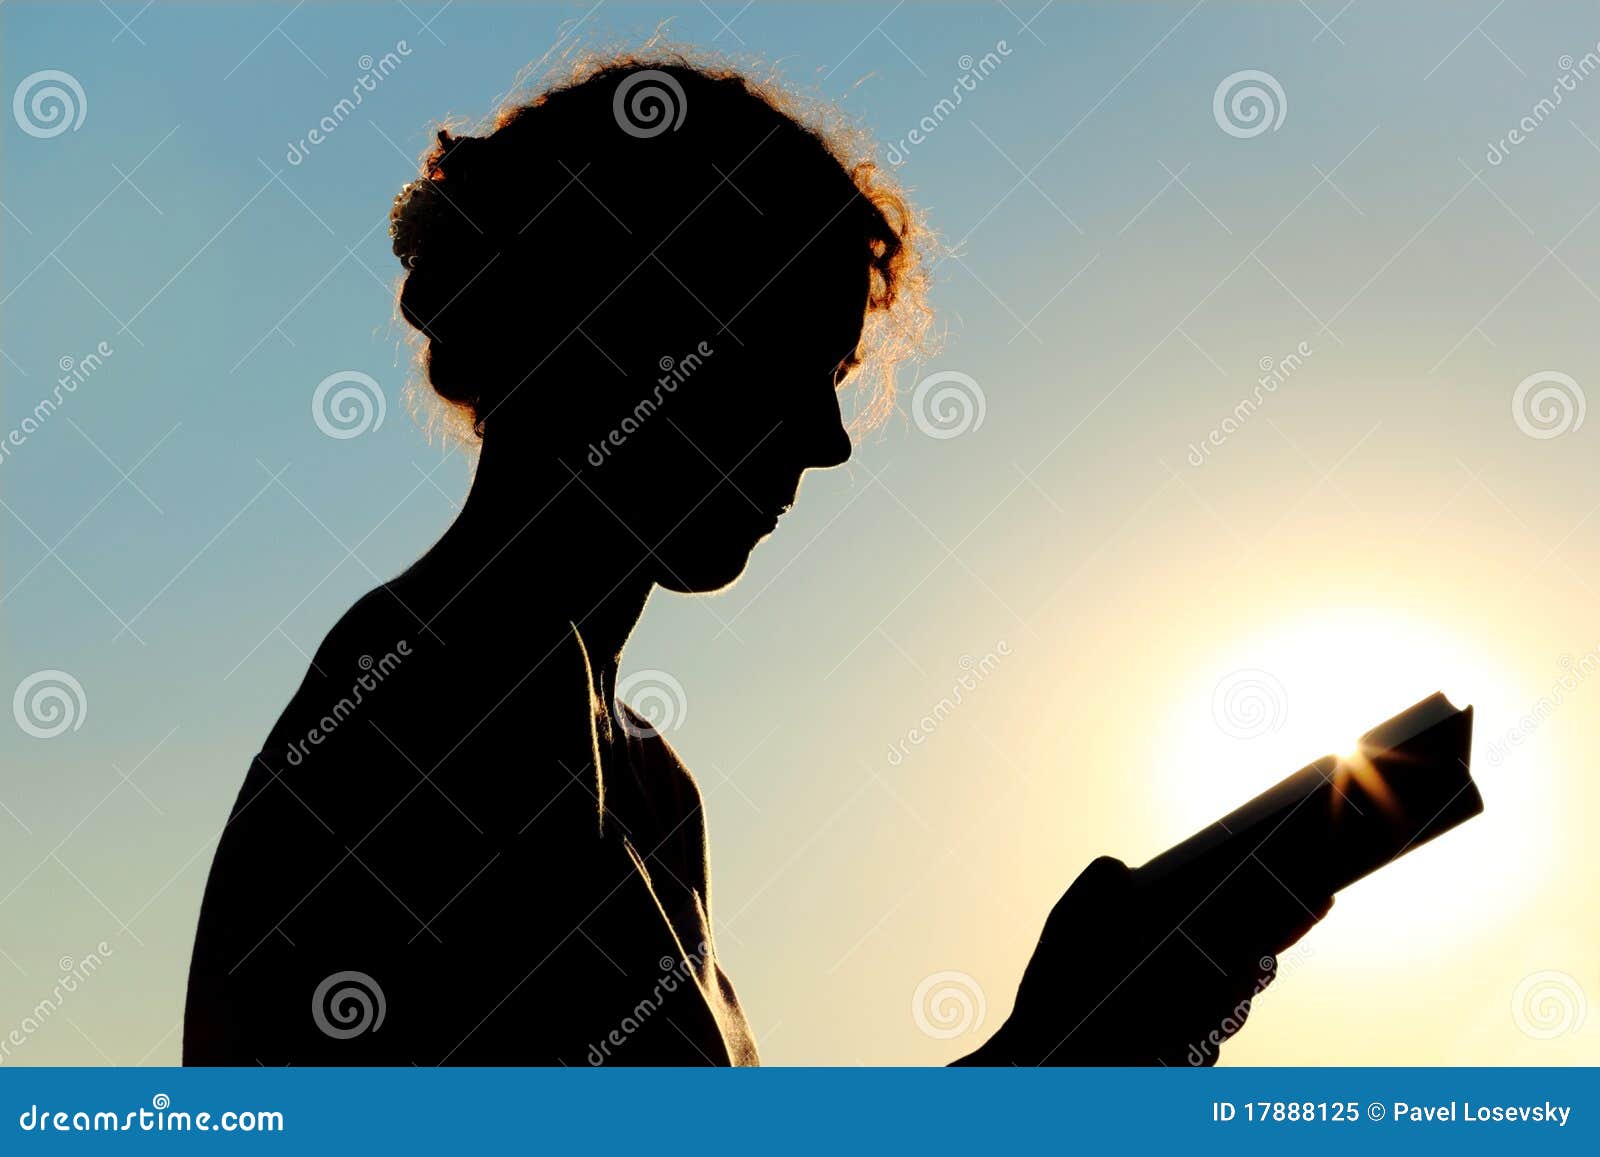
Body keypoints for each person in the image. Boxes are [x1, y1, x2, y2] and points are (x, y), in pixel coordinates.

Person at [183, 52, 1326, 1066]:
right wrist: (1058, 1048)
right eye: (787, 362)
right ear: (623, 335)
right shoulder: (428, 701)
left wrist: (1071, 1036)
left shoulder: (642, 780)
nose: (826, 442)